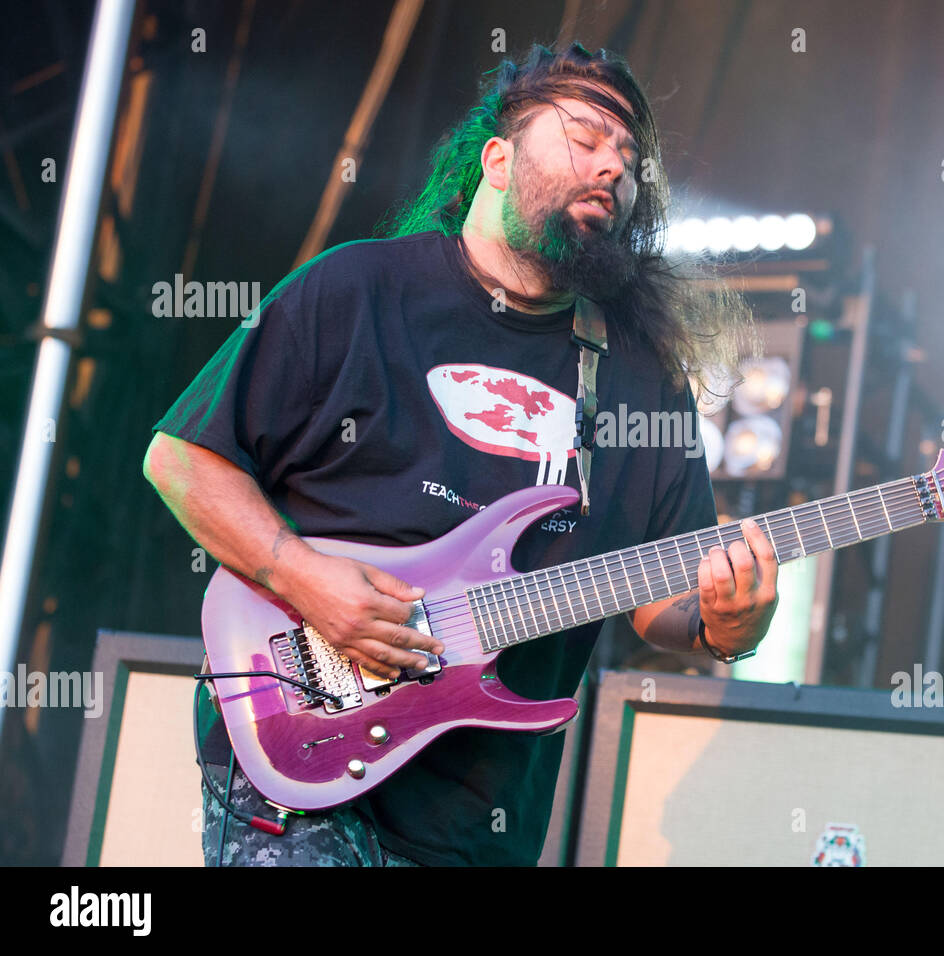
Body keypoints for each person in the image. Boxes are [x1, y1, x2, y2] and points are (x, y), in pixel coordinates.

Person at [143, 42, 777, 867]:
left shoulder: (641, 379)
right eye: (585, 138)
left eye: (628, 159)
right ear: (499, 159)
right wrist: (307, 581)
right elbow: (182, 460)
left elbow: (658, 597)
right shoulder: (355, 290)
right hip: (298, 748)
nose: (613, 170)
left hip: (482, 815)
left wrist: (731, 625)